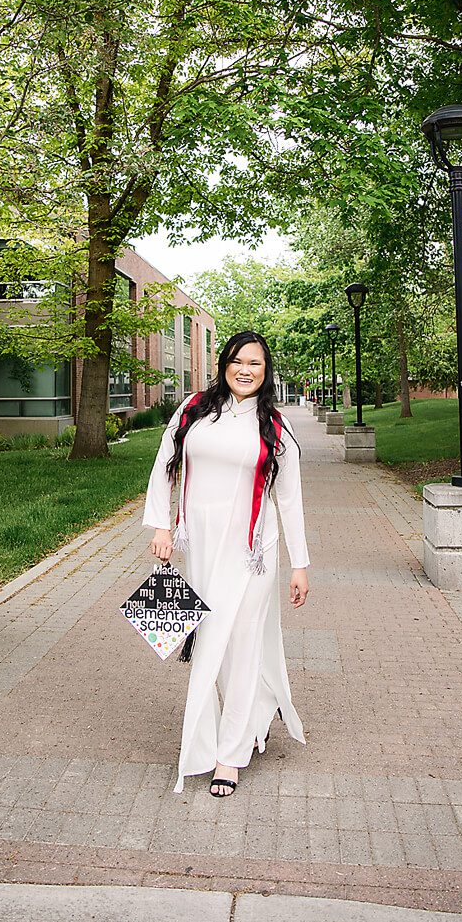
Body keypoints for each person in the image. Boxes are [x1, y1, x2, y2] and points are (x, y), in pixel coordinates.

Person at [142, 330, 310, 796]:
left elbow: (290, 498)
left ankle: (228, 755)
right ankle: (258, 709)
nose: (244, 370)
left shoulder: (275, 426)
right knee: (211, 643)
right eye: (237, 361)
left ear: (266, 371)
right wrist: (161, 527)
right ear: (224, 365)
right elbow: (164, 466)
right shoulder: (193, 409)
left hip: (253, 554)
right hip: (201, 547)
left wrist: (300, 564)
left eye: (254, 363)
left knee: (240, 644)